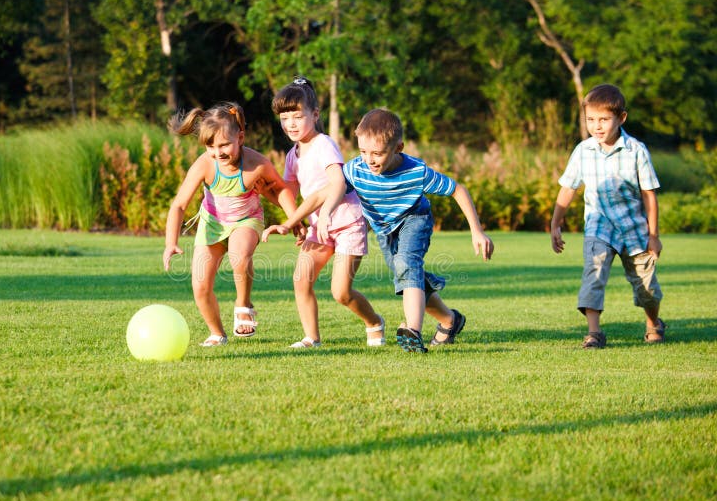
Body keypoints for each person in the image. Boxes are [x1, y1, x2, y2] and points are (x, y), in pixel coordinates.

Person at [264, 108, 494, 353]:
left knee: (407, 264)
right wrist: (291, 222)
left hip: (414, 219)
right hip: (385, 230)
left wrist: (477, 231)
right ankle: (450, 320)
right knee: (408, 277)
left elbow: (457, 189)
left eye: (377, 153)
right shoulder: (357, 169)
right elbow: (324, 193)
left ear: (398, 147)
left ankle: (413, 332)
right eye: (363, 152)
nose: (369, 159)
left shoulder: (417, 172)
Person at [163, 102, 300, 347]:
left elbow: (280, 191)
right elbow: (179, 205)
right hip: (212, 225)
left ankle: (243, 304)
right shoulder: (205, 164)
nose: (218, 152)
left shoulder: (256, 163)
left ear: (240, 136)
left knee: (239, 256)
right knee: (200, 287)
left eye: (225, 144)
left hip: (246, 221)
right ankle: (217, 333)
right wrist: (170, 242)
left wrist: (294, 220)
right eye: (211, 146)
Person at [267, 76, 384, 349]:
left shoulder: (324, 144)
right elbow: (289, 193)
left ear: (315, 114)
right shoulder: (292, 155)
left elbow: (338, 182)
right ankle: (312, 338)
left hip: (346, 222)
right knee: (301, 279)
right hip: (318, 225)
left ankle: (374, 321)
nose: (291, 124)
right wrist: (291, 222)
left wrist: (327, 213)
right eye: (285, 118)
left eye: (297, 116)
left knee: (341, 292)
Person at [550, 83, 665, 349]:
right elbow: (568, 188)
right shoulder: (583, 151)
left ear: (621, 118)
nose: (597, 126)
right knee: (594, 273)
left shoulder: (636, 150)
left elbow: (649, 195)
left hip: (634, 229)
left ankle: (653, 323)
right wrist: (556, 223)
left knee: (646, 288)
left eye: (604, 119)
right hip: (599, 227)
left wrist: (654, 235)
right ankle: (594, 333)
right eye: (591, 119)